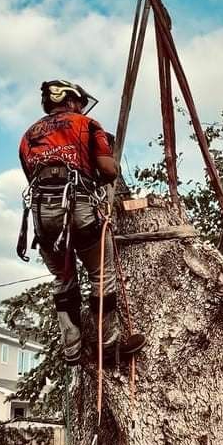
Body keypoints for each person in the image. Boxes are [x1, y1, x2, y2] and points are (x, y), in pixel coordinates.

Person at [18, 79, 144, 365]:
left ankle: (71, 348)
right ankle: (108, 344)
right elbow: (108, 171)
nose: (81, 108)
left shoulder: (28, 136)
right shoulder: (87, 125)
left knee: (62, 279)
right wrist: (107, 154)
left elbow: (32, 176)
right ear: (71, 100)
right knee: (102, 273)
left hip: (43, 218)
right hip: (80, 210)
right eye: (79, 103)